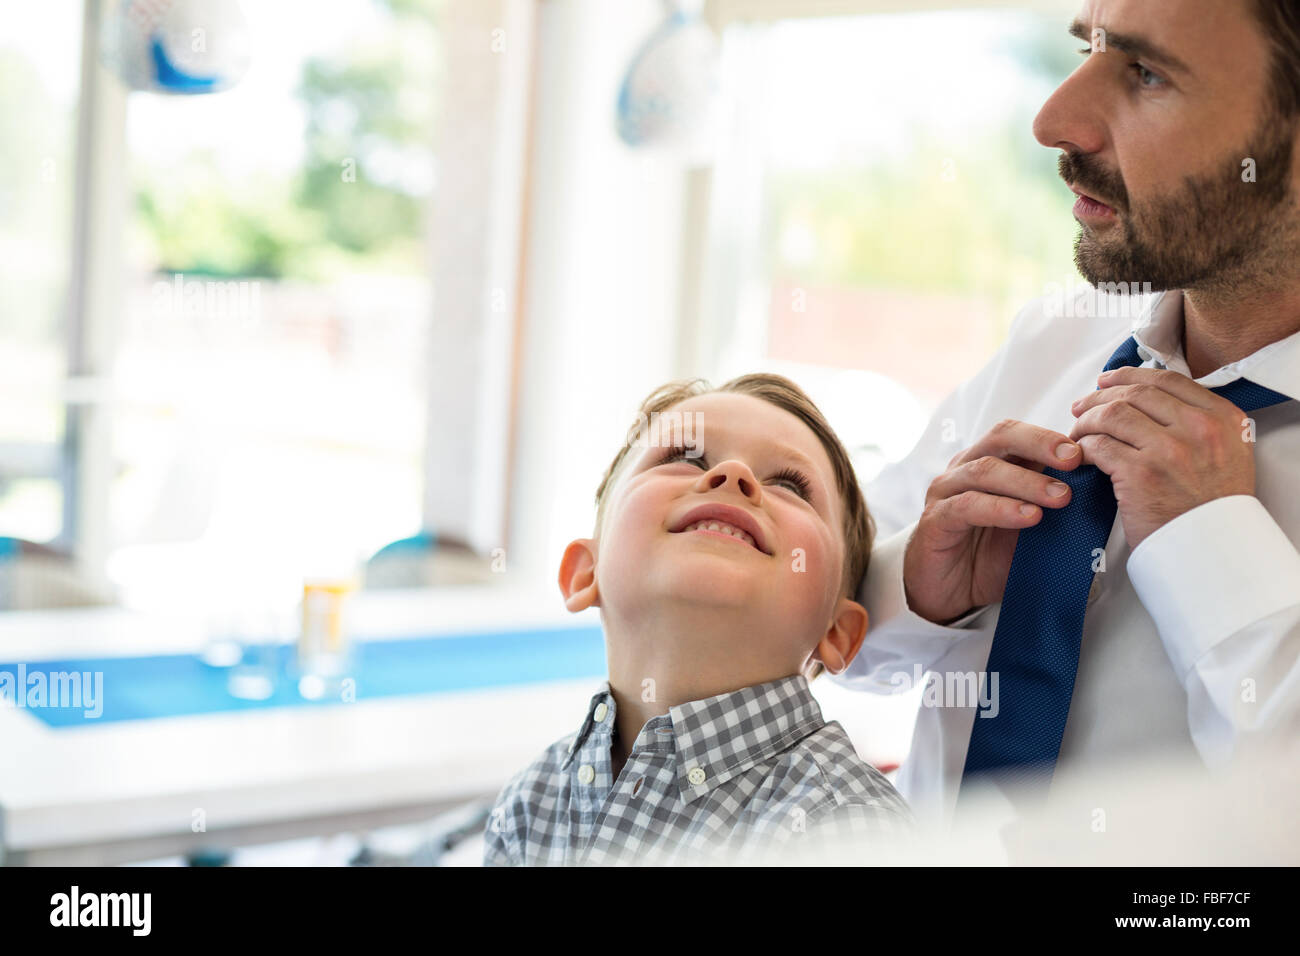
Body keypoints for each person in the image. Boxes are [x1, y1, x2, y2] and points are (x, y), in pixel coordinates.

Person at [834, 0, 1300, 827]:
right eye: (1087, 49)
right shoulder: (1056, 341)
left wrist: (1214, 555)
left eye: (1147, 73)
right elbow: (832, 625)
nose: (1054, 120)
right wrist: (920, 587)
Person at [483, 374, 912, 865]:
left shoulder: (848, 831)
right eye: (684, 458)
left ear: (838, 633)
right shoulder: (527, 807)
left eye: (789, 484)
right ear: (585, 573)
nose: (731, 475)